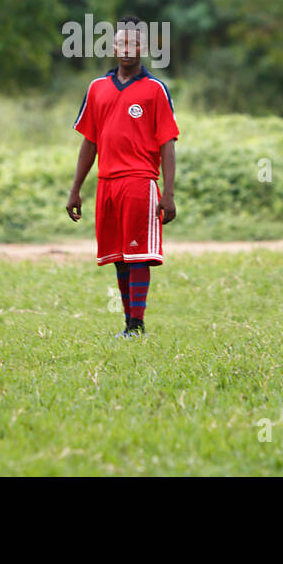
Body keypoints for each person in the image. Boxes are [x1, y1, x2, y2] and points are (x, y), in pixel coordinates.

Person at [67, 17, 178, 337]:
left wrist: (167, 194)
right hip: (106, 184)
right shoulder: (97, 88)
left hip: (140, 183)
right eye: (122, 43)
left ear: (142, 48)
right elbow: (89, 141)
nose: (127, 49)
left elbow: (167, 143)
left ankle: (137, 324)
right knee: (118, 257)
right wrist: (76, 190)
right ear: (113, 47)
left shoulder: (155, 90)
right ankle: (129, 325)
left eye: (134, 44)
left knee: (138, 254)